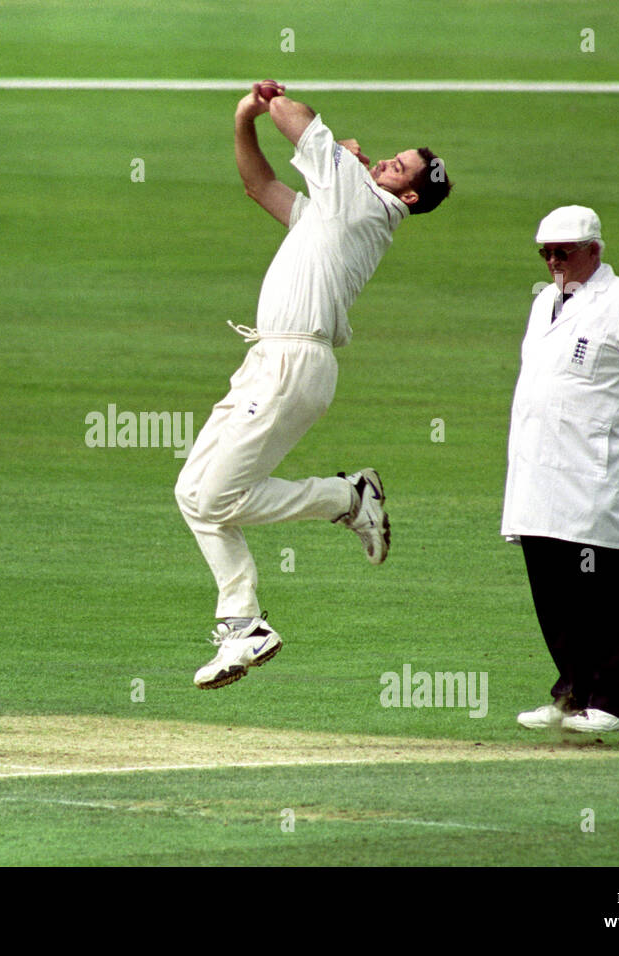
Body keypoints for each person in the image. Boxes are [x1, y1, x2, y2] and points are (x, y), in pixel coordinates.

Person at [174, 80, 452, 689]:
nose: (381, 160)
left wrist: (272, 96)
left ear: (406, 193)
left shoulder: (362, 199)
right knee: (196, 494)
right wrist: (245, 117)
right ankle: (341, 505)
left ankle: (254, 613)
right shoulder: (334, 207)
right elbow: (259, 187)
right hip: (269, 360)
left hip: (294, 364)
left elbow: (299, 118)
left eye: (396, 165)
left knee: (217, 499)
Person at [502, 205, 619, 733]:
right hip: (538, 469)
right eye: (546, 253)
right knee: (552, 591)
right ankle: (571, 692)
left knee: (601, 589)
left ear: (594, 250)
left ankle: (617, 703)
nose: (553, 262)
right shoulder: (544, 303)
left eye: (563, 252)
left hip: (595, 472)